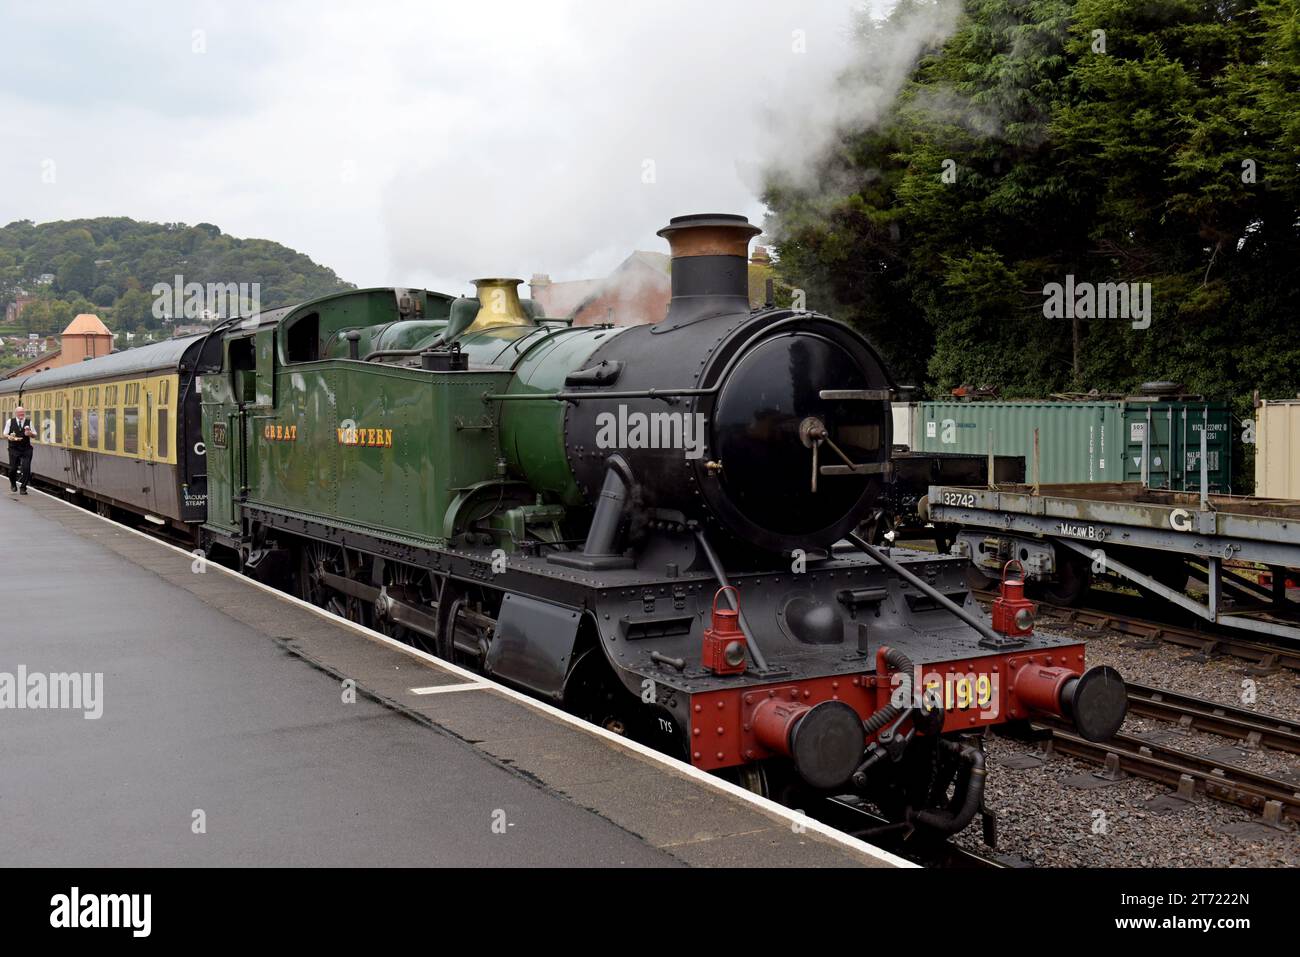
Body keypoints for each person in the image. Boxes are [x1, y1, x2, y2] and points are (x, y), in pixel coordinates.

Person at [5, 405, 34, 494]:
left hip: (26, 448)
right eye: (20, 413)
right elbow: (5, 434)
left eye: (23, 413)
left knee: (26, 468)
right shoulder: (10, 421)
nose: (22, 414)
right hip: (14, 448)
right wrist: (10, 437)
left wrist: (30, 433)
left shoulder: (29, 422)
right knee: (12, 469)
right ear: (16, 413)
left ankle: (23, 488)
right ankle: (13, 484)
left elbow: (34, 434)